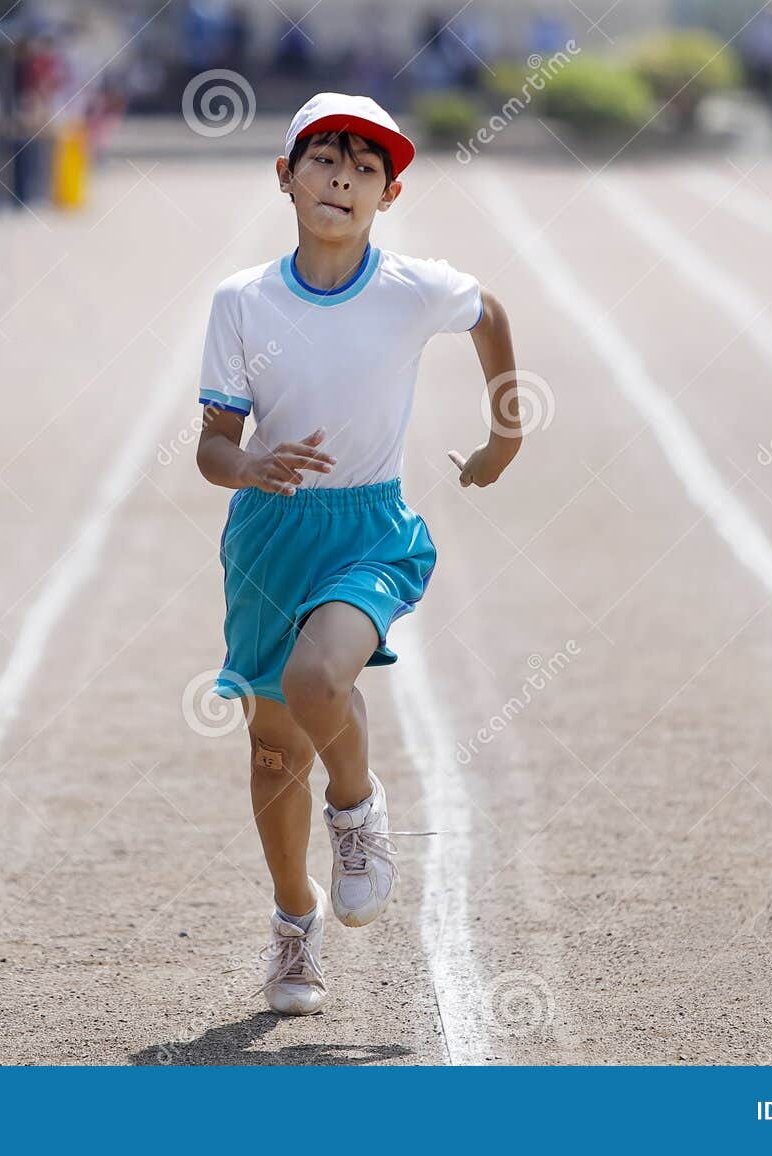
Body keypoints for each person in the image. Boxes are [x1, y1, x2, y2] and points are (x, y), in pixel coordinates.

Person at [193, 93, 523, 1015]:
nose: (343, 179)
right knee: (272, 752)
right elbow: (213, 445)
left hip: (370, 530)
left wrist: (507, 434)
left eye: (365, 168)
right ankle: (294, 924)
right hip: (269, 533)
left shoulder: (412, 288)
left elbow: (489, 311)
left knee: (317, 680)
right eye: (325, 161)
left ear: (390, 194)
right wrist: (249, 465)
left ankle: (356, 808)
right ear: (286, 177)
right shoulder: (242, 302)